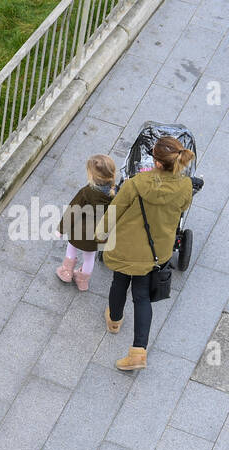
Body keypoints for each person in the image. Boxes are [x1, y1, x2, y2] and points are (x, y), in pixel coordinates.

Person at [95, 136, 194, 371]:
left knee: (119, 281)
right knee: (141, 295)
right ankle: (138, 351)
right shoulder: (185, 186)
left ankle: (115, 320)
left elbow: (114, 212)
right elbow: (182, 208)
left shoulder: (136, 184)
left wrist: (100, 235)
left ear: (157, 163)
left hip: (127, 245)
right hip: (156, 250)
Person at [55, 154, 117, 291]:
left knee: (71, 249)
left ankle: (66, 272)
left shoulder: (86, 192)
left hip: (79, 231)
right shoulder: (116, 194)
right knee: (89, 258)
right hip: (98, 236)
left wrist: (61, 229)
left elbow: (73, 211)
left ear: (91, 175)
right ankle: (82, 281)